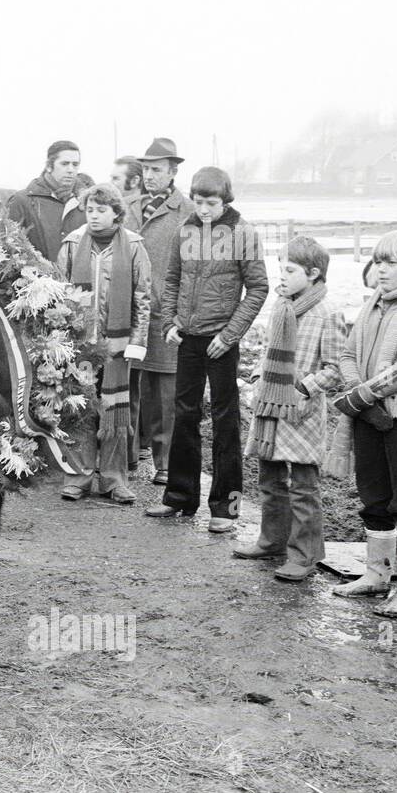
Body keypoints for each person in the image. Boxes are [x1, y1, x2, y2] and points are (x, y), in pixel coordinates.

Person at [147, 167, 268, 532]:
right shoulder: (184, 229)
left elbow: (258, 289)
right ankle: (178, 498)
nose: (203, 209)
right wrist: (169, 322)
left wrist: (229, 336)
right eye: (198, 201)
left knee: (225, 421)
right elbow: (171, 279)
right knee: (183, 415)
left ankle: (225, 509)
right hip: (187, 339)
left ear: (225, 200)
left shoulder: (243, 233)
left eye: (211, 203)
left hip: (221, 343)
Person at [329, 228, 397, 617]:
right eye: (378, 261)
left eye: (390, 262)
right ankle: (376, 574)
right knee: (373, 496)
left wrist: (358, 397)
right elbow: (347, 353)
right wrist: (359, 392)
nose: (382, 269)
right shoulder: (374, 302)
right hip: (368, 413)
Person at [234, 236, 345, 582]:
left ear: (313, 273)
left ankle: (305, 555)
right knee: (269, 479)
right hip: (270, 406)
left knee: (302, 486)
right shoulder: (280, 306)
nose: (281, 276)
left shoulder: (329, 313)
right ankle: (272, 541)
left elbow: (335, 368)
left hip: (301, 413)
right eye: (280, 268)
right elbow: (267, 350)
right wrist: (257, 374)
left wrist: (302, 388)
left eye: (290, 270)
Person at [55, 184, 151, 504]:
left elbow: (143, 297)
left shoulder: (134, 246)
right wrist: (59, 339)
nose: (94, 216)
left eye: (101, 210)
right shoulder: (71, 244)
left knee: (114, 408)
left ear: (116, 213)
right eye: (90, 210)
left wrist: (136, 341)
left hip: (116, 342)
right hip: (80, 342)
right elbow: (59, 293)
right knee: (79, 406)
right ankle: (78, 476)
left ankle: (113, 478)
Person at [125, 138, 193, 486]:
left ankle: (164, 461)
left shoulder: (189, 212)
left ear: (173, 171)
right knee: (130, 383)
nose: (149, 175)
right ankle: (129, 455)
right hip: (131, 312)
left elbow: (197, 267)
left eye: (157, 169)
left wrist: (182, 311)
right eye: (146, 169)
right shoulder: (127, 206)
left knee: (167, 390)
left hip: (168, 313)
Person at [7, 140, 84, 263]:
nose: (71, 169)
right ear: (49, 166)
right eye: (64, 164)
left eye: (75, 164)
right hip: (36, 279)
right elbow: (10, 249)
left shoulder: (85, 204)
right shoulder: (22, 200)